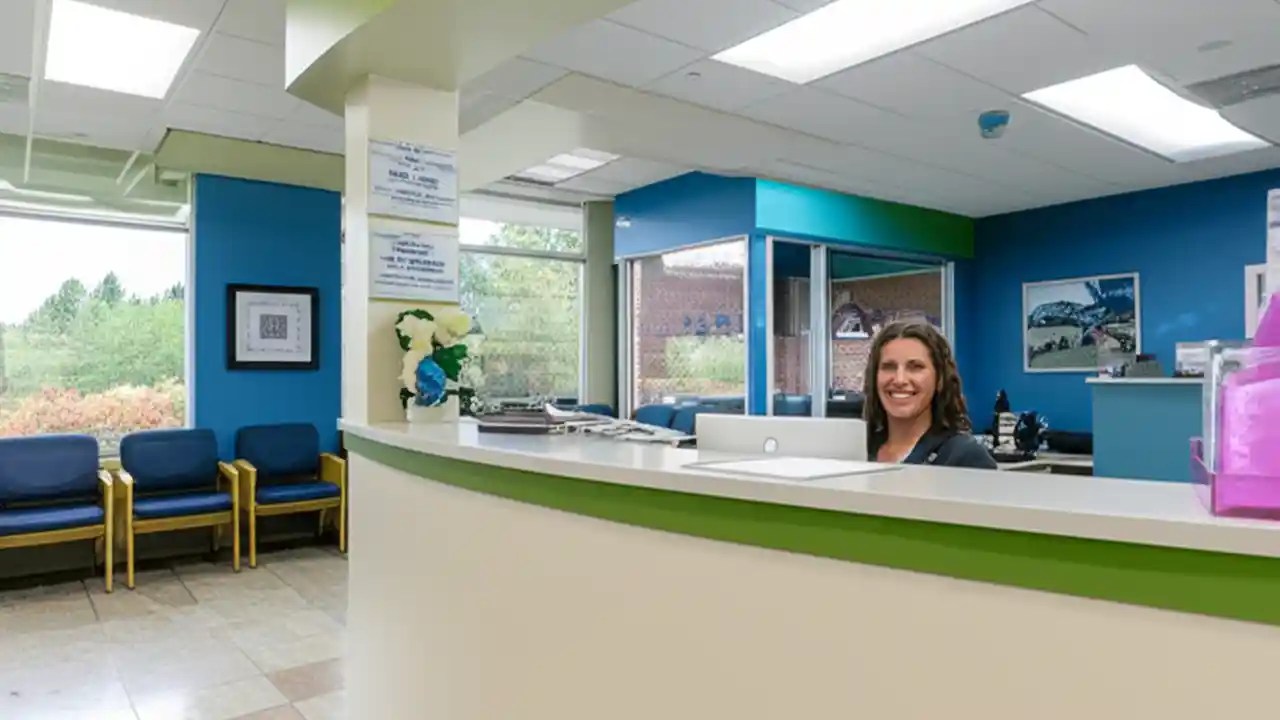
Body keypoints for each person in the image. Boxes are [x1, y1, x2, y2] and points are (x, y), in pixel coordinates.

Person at [862, 321, 997, 469]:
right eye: (889, 367)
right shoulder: (857, 449)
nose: (900, 380)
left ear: (939, 379)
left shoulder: (963, 456)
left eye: (915, 367)